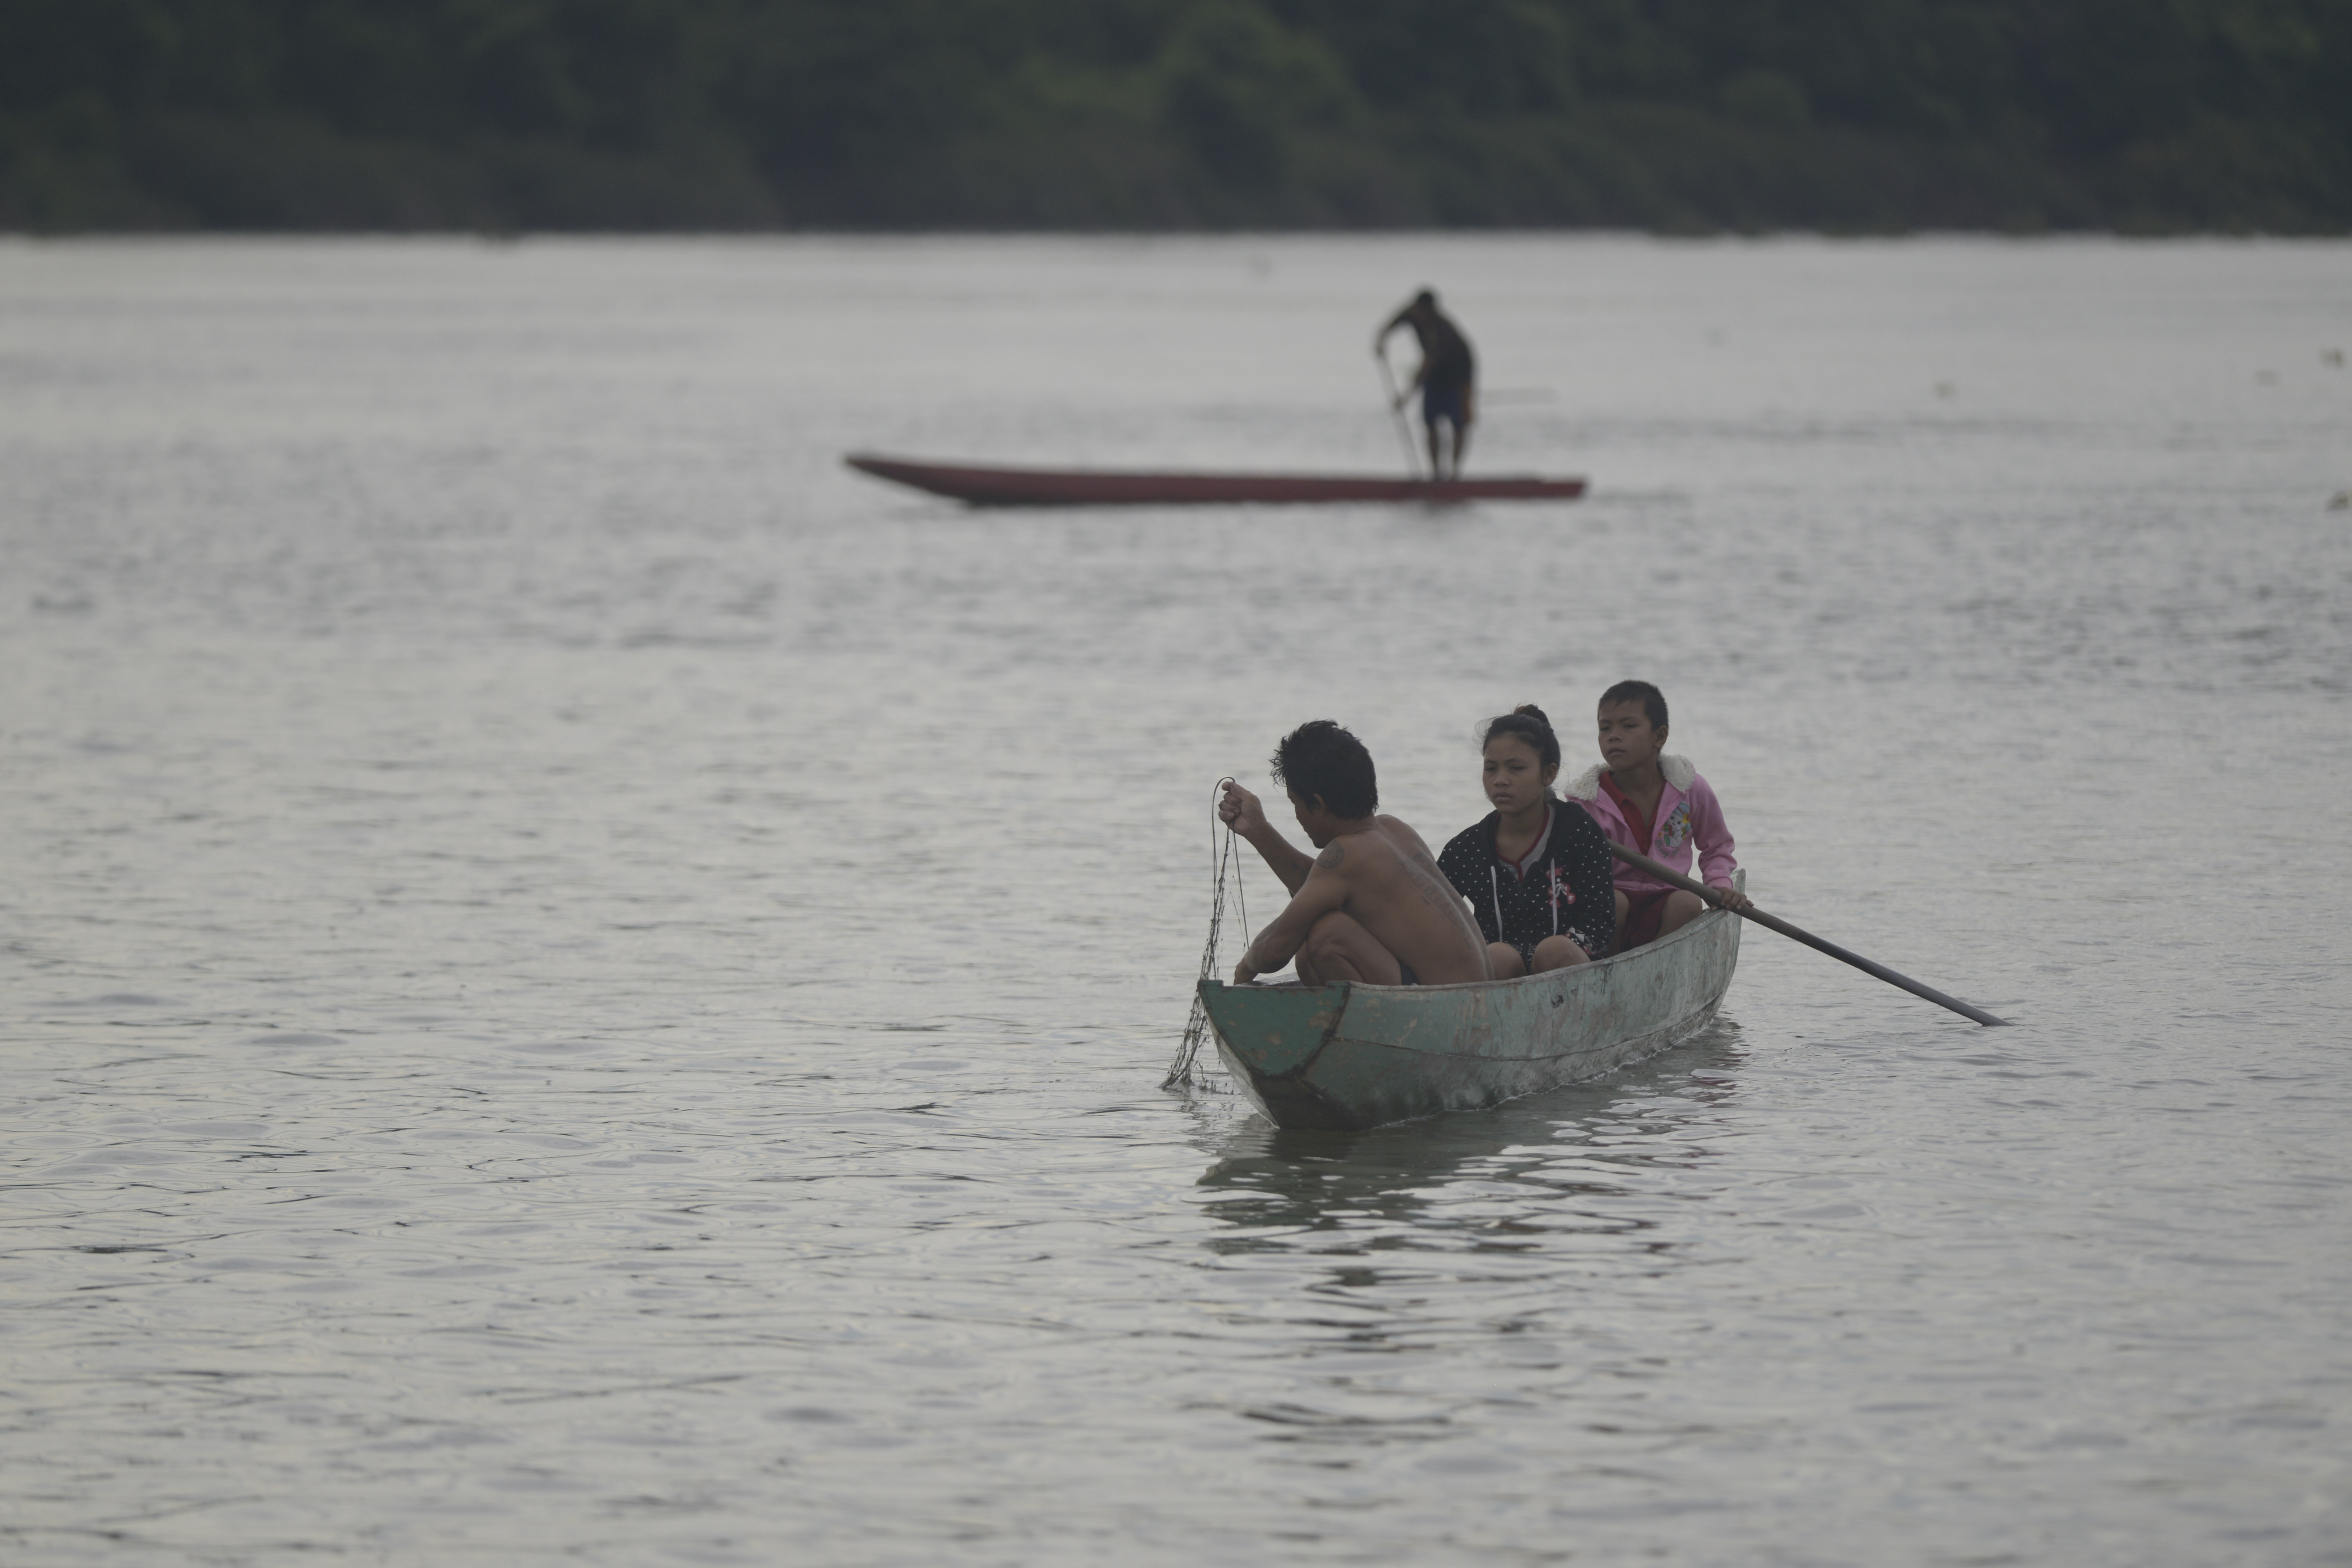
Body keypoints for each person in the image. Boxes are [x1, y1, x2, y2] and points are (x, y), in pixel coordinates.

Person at [1216, 721, 1490, 987]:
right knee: (1320, 924)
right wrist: (1258, 831)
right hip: (1478, 996)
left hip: (1450, 1009)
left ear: (1319, 805)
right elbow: (1317, 891)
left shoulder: (1349, 854)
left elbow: (1276, 947)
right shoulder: (1395, 830)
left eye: (1295, 804)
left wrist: (1246, 967)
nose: (1297, 816)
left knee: (1325, 936)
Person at [1563, 680, 1751, 952]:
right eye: (1605, 728)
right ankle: (1608, 968)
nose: (1614, 736)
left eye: (1628, 726)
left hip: (1668, 896)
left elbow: (1717, 847)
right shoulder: (1585, 803)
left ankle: (1657, 972)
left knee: (1689, 902)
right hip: (1611, 900)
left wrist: (1719, 884)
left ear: (1659, 737)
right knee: (1613, 902)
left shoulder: (1689, 789)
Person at [1435, 705, 1617, 977]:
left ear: (1548, 774)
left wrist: (1563, 949)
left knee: (1554, 951)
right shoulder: (1466, 849)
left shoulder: (1579, 832)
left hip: (1570, 964)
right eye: (1491, 768)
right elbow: (1437, 919)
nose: (1500, 780)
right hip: (1497, 968)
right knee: (1497, 957)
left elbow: (1600, 918)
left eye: (1516, 768)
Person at [1374, 288, 1476, 479]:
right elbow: (1391, 324)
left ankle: (1455, 476)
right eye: (1416, 312)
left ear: (1430, 311)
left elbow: (1425, 368)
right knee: (1430, 422)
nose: (1417, 317)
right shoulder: (1412, 315)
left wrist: (1405, 398)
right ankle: (1436, 475)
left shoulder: (1442, 331)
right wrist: (1382, 339)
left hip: (1458, 376)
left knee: (1459, 425)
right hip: (1436, 379)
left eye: (1421, 313)